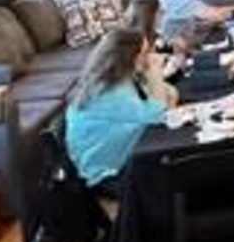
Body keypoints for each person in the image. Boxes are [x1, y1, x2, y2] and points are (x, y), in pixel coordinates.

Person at [65, 28, 178, 193]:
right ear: (130, 57)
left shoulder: (115, 80)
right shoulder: (111, 93)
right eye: (145, 53)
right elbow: (163, 113)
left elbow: (168, 96)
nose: (150, 58)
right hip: (106, 176)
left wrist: (160, 90)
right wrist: (155, 73)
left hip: (116, 162)